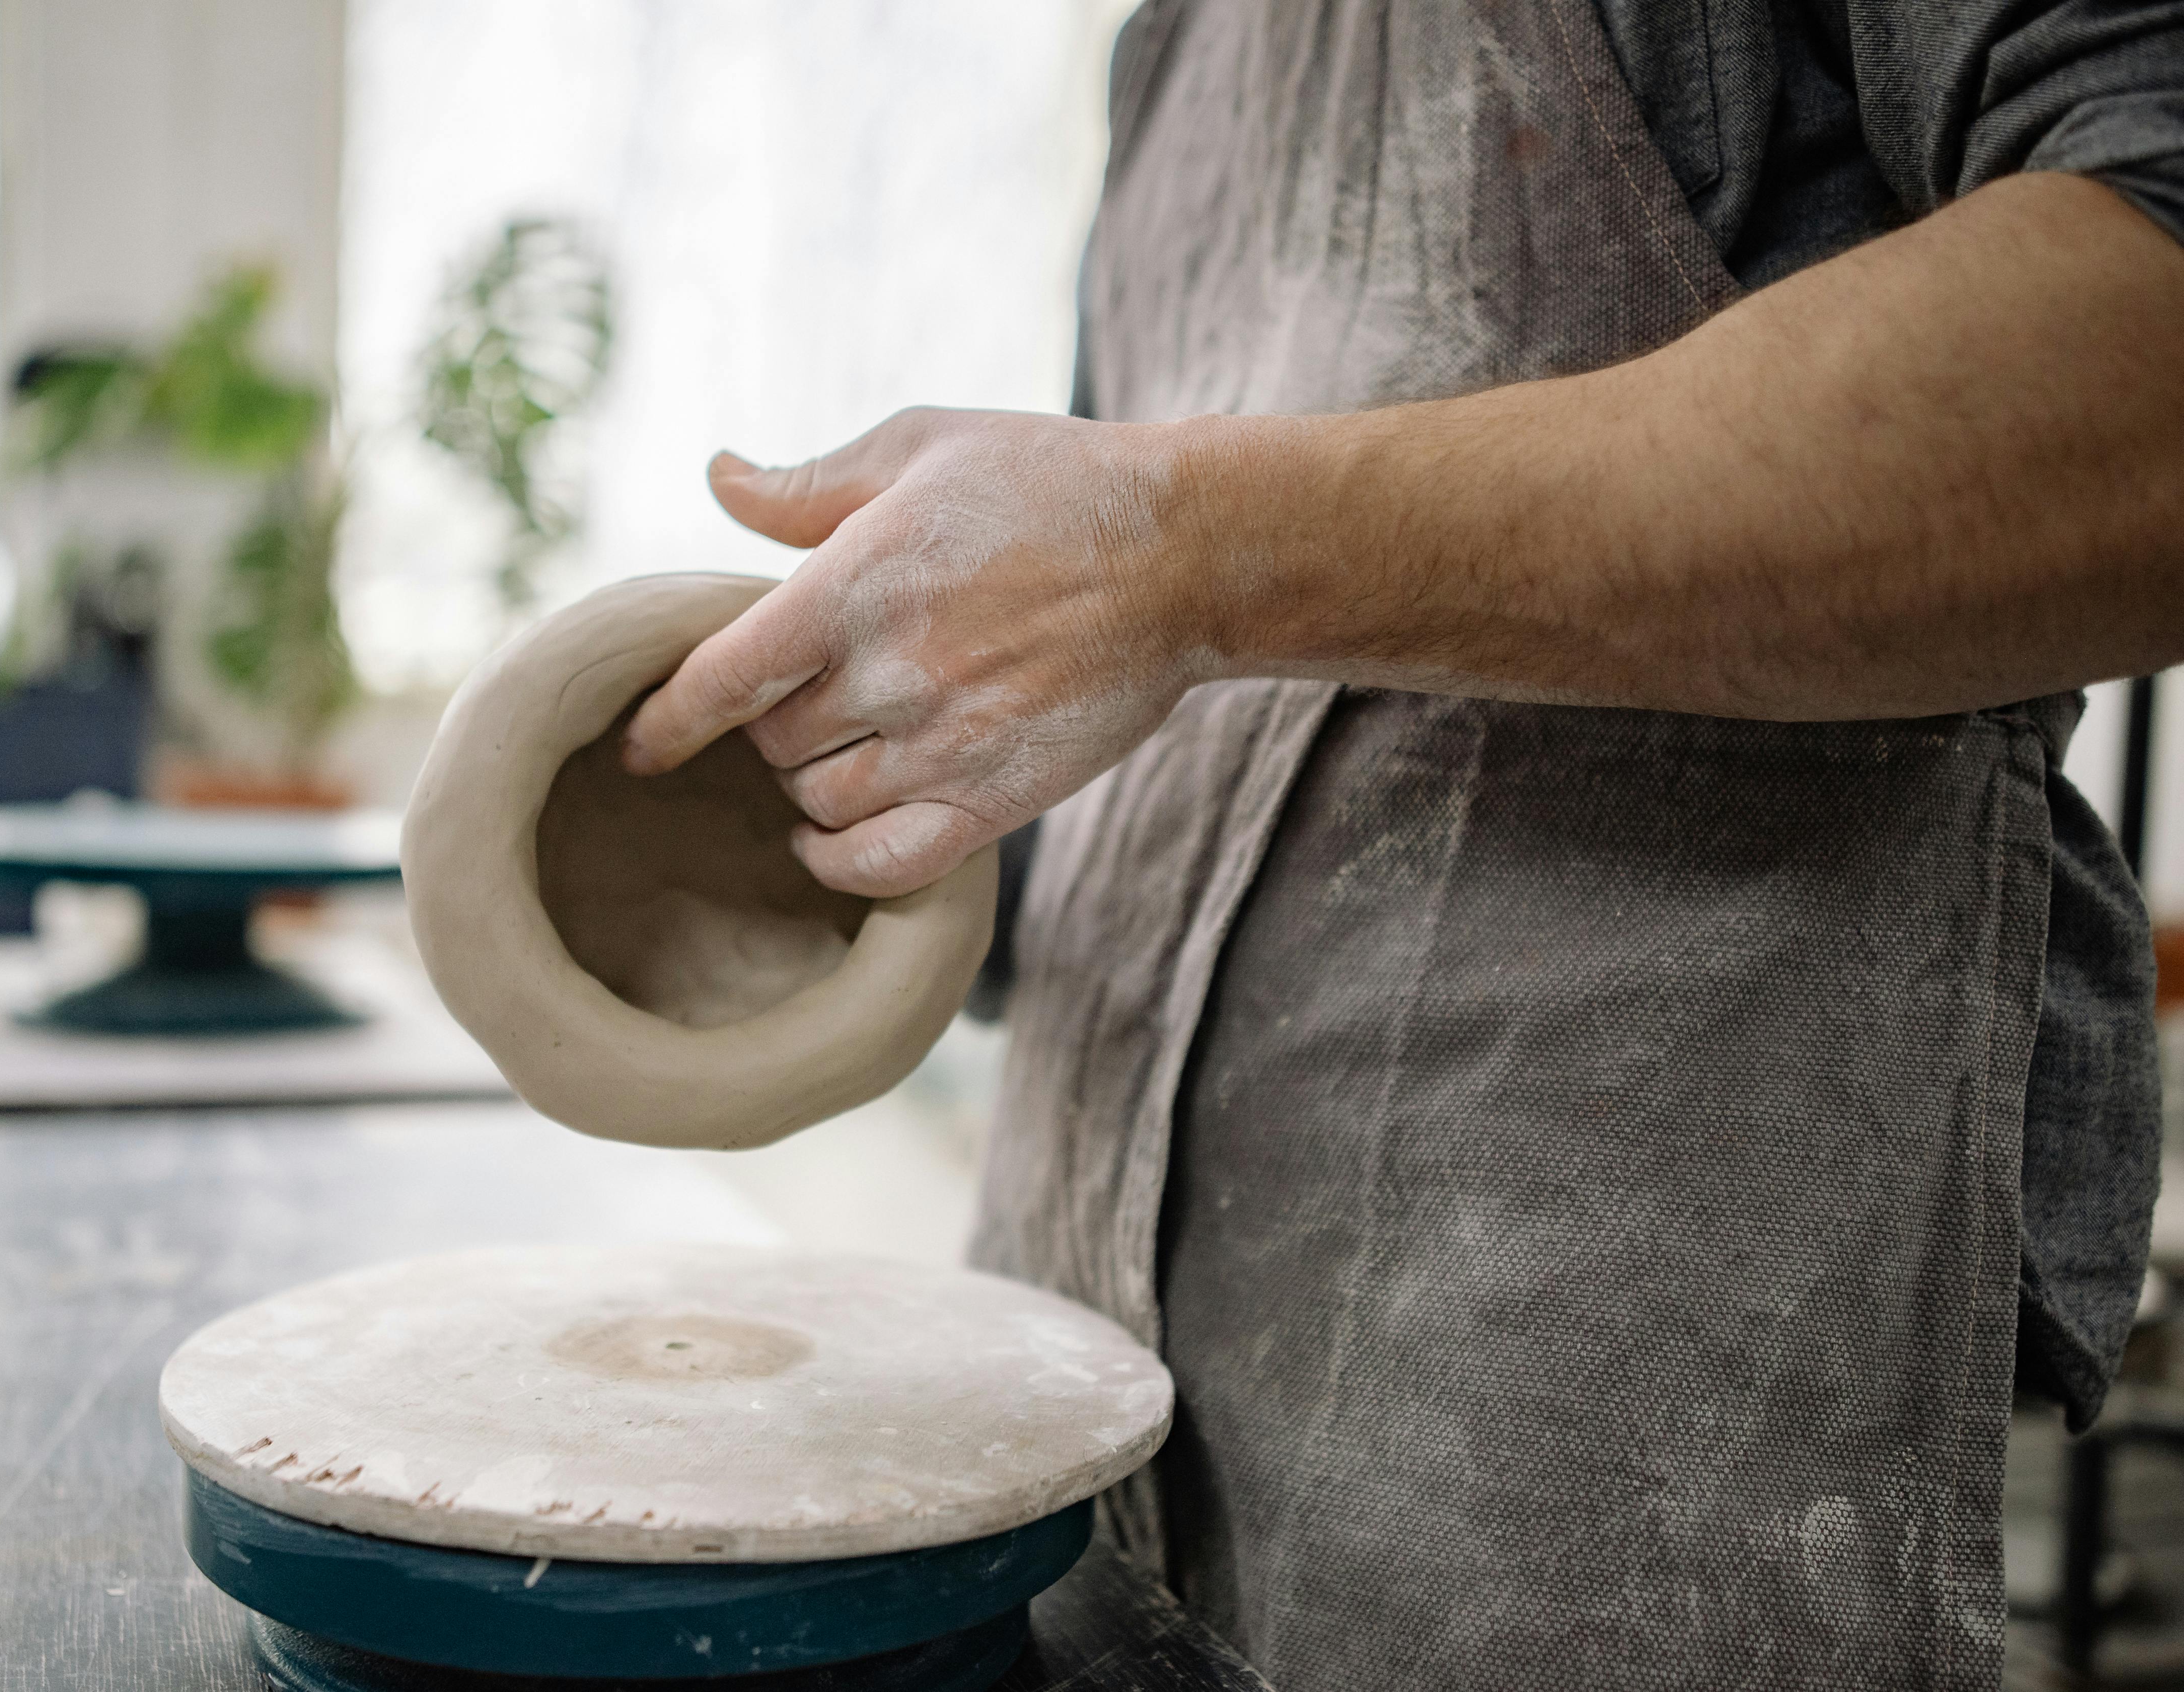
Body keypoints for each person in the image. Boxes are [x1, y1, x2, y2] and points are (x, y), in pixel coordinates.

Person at [622, 1, 2184, 1685]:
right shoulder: (1177, 48)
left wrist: (1186, 551)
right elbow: (1172, 707)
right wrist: (805, 817)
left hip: (1583, 1493)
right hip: (1068, 1466)